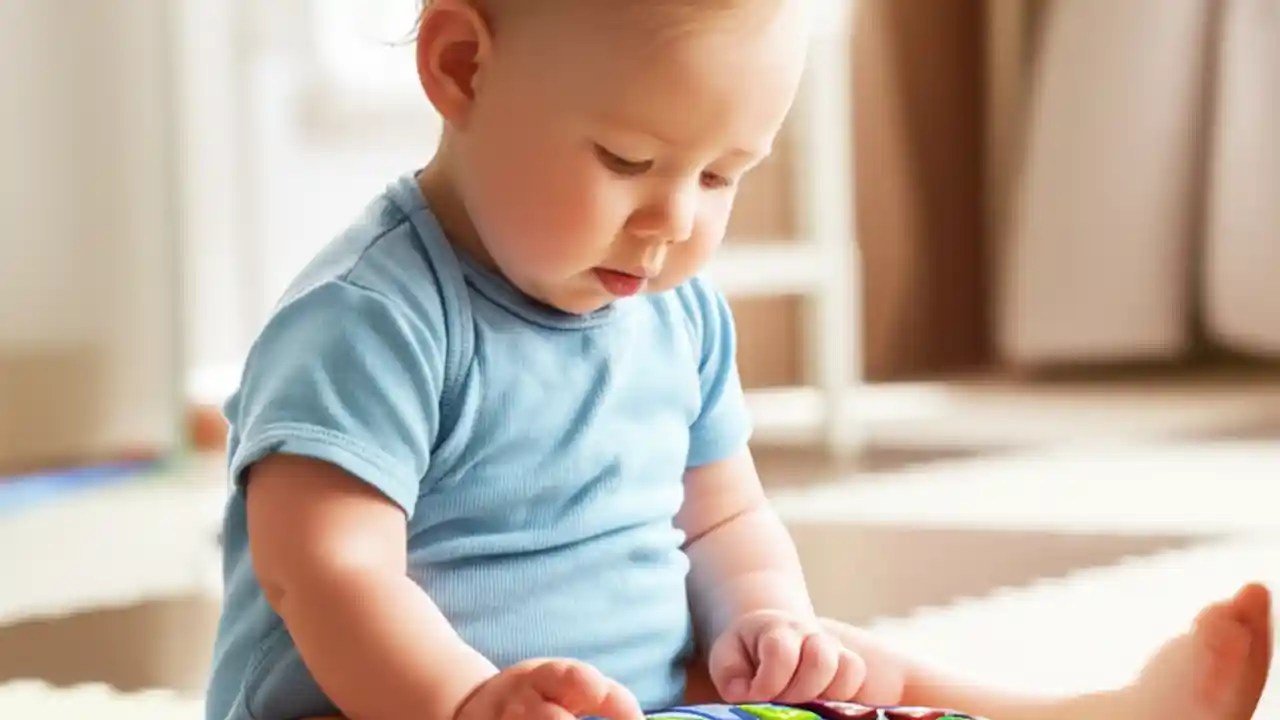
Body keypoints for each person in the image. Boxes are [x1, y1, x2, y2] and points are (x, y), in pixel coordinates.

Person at [204, 1, 1273, 718]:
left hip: (668, 702)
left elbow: (720, 518)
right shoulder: (373, 318)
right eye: (628, 161)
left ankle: (1088, 716)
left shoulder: (677, 318)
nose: (671, 219)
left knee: (853, 669)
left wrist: (763, 618)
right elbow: (326, 572)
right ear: (463, 67)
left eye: (722, 176)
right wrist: (466, 702)